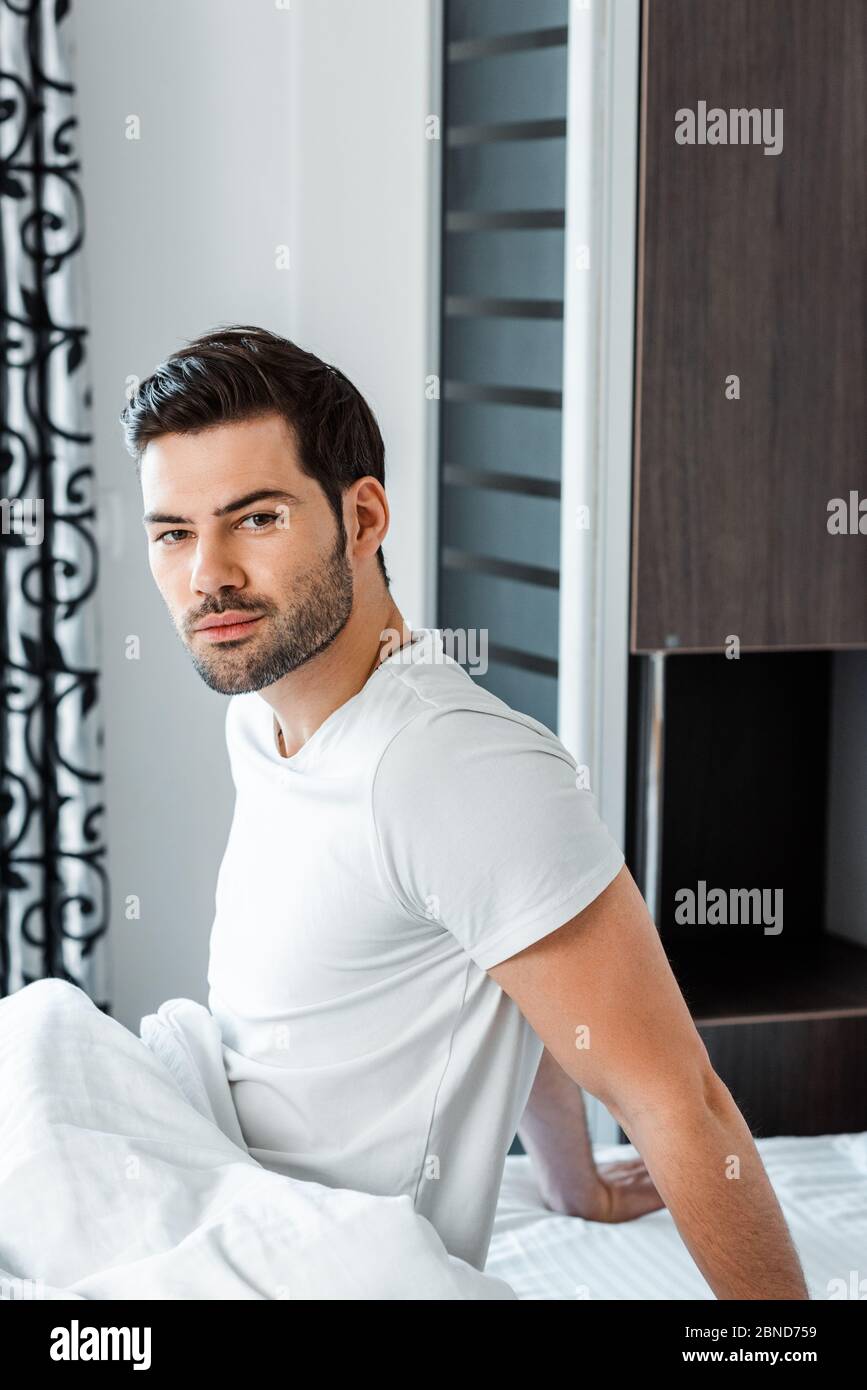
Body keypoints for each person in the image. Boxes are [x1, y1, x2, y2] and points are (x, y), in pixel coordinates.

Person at [122, 325, 808, 1296]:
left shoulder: (454, 768)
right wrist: (576, 1186)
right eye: (173, 532)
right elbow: (502, 964)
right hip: (212, 1190)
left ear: (363, 520)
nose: (208, 574)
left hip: (301, 1272)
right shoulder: (263, 708)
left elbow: (677, 1099)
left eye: (256, 518)